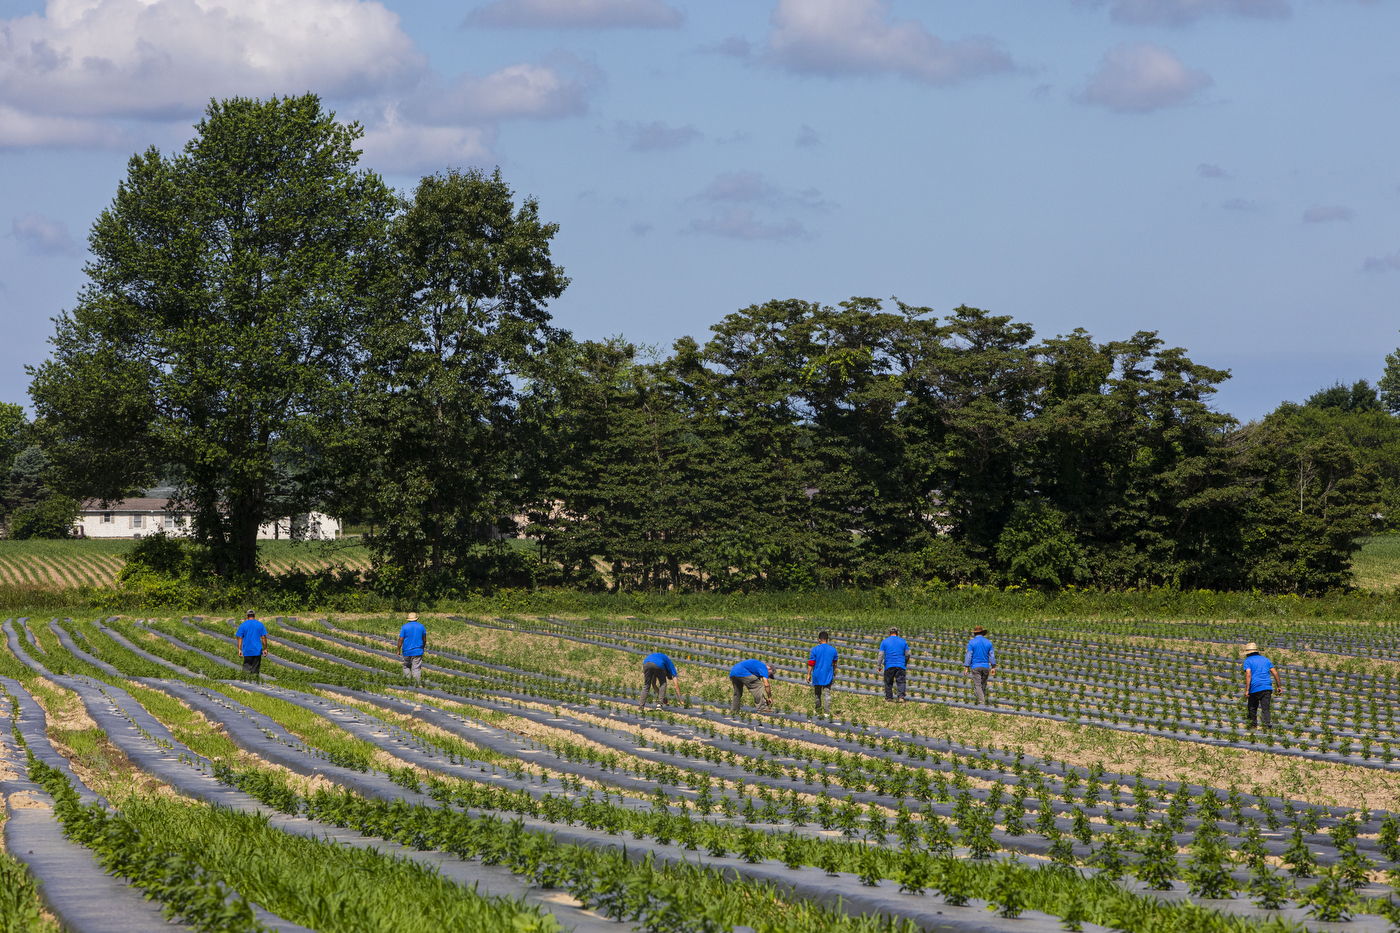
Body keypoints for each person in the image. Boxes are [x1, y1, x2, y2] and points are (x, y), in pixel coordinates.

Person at [1242, 641, 1281, 729]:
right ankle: (1267, 725)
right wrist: (1279, 686)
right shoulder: (1266, 659)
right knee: (1265, 707)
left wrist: (1247, 690)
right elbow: (1275, 672)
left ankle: (1253, 725)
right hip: (1267, 687)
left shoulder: (1248, 661)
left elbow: (1248, 674)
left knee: (1252, 707)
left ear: (1248, 653)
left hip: (1255, 687)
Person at [807, 631, 839, 714]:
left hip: (817, 675)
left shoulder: (815, 649)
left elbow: (811, 663)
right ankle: (826, 712)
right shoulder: (833, 650)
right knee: (827, 694)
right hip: (828, 674)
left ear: (819, 640)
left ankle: (818, 710)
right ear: (827, 639)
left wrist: (808, 675)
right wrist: (833, 672)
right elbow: (835, 663)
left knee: (817, 694)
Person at [964, 625, 996, 706]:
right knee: (983, 684)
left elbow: (969, 655)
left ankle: (981, 702)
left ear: (975, 634)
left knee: (977, 685)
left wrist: (966, 667)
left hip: (975, 666)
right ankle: (981, 700)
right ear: (982, 633)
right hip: (985, 666)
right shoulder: (988, 642)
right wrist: (993, 667)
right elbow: (992, 655)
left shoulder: (971, 642)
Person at [878, 626, 910, 702]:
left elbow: (880, 655)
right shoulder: (903, 641)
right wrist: (904, 663)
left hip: (889, 665)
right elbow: (908, 654)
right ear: (897, 633)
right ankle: (901, 697)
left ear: (889, 633)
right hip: (900, 665)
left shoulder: (884, 642)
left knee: (888, 682)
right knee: (901, 681)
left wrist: (879, 665)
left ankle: (889, 698)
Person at [235, 609, 268, 680]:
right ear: (255, 615)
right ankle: (255, 684)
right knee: (255, 669)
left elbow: (240, 638)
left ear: (247, 616)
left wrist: (239, 649)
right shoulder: (260, 624)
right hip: (257, 650)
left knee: (246, 666)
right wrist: (265, 648)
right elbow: (263, 637)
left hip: (247, 650)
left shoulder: (243, 625)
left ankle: (247, 682)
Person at [397, 612, 427, 682]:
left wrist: (398, 649)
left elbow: (400, 639)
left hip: (406, 651)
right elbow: (424, 639)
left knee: (406, 666)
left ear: (408, 619)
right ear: (416, 619)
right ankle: (415, 684)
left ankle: (407, 682)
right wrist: (422, 647)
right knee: (416, 668)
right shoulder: (421, 626)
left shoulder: (404, 627)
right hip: (418, 651)